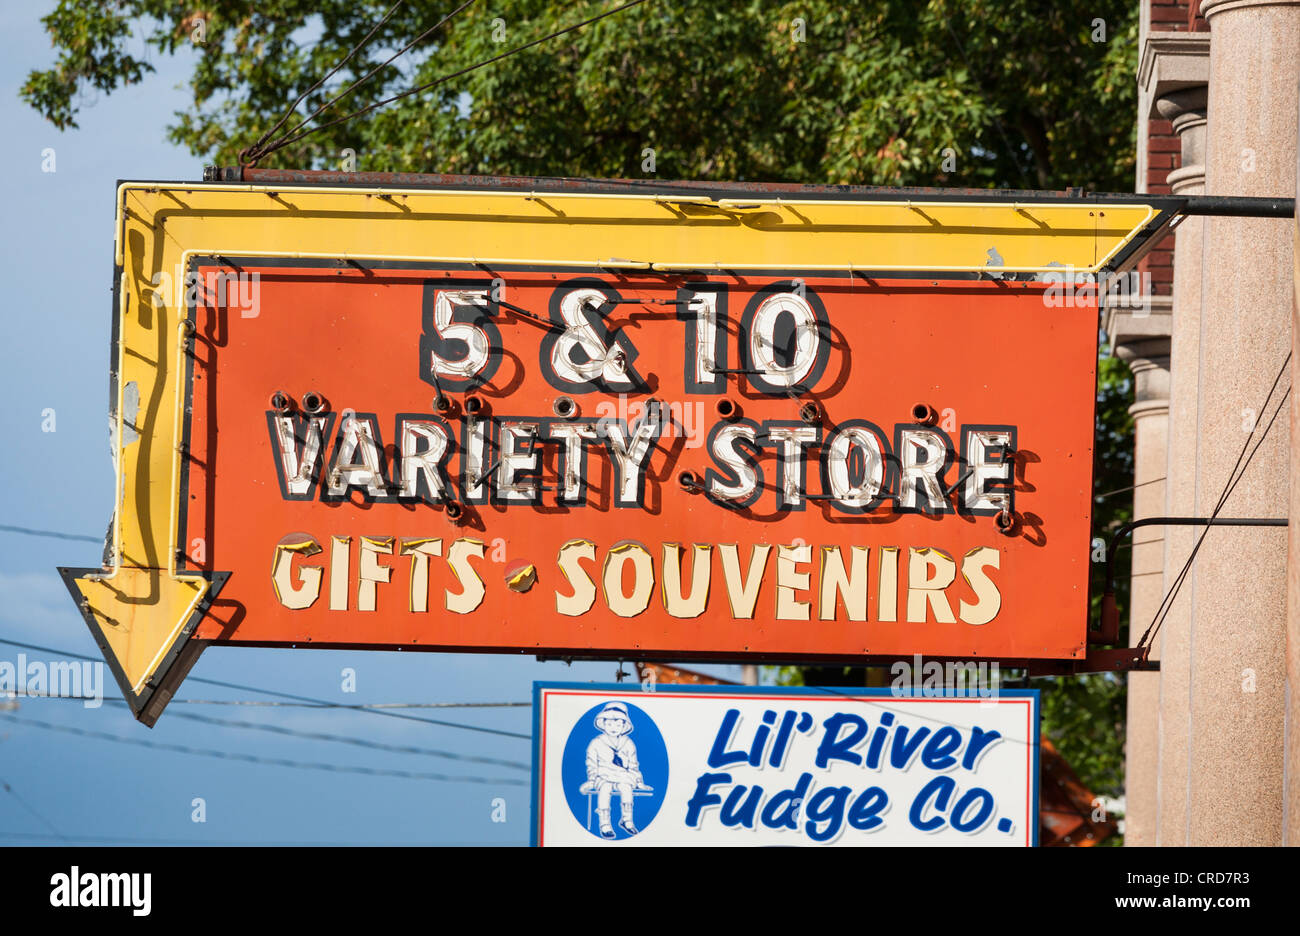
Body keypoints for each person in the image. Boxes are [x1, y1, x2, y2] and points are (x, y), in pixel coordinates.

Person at [583, 702, 652, 838]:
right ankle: (604, 824)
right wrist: (592, 779)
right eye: (609, 724)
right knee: (605, 789)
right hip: (603, 775)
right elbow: (591, 763)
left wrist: (638, 781)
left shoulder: (628, 743)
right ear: (603, 724)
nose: (613, 728)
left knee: (626, 789)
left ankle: (627, 820)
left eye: (618, 724)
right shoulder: (596, 743)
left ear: (623, 726)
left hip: (623, 776)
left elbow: (633, 765)